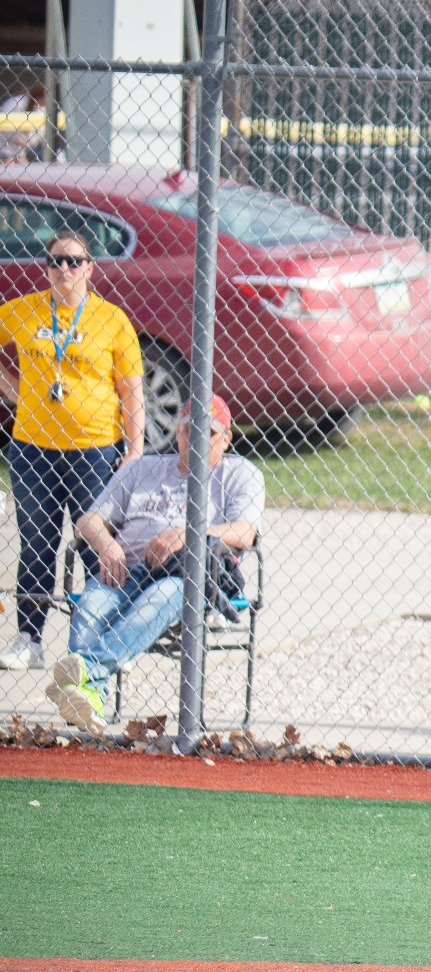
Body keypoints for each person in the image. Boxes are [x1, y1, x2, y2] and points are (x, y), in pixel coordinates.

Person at [47, 396, 263, 733]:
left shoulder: (239, 474)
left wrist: (186, 534)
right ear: (177, 433)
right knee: (91, 605)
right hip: (125, 567)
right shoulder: (141, 467)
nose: (196, 439)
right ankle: (90, 695)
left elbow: (245, 532)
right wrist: (107, 546)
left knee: (156, 600)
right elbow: (88, 520)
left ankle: (86, 675)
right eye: (189, 431)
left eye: (208, 433)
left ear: (227, 438)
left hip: (184, 574)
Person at [0, 229, 146, 672]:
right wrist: (14, 391)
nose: (64, 269)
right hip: (32, 450)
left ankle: (97, 642)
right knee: (38, 543)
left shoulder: (110, 319)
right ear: (46, 268)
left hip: (94, 451)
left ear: (90, 268)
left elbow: (132, 388)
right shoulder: (23, 311)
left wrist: (134, 448)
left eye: (74, 261)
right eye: (56, 261)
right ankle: (29, 637)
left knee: (94, 542)